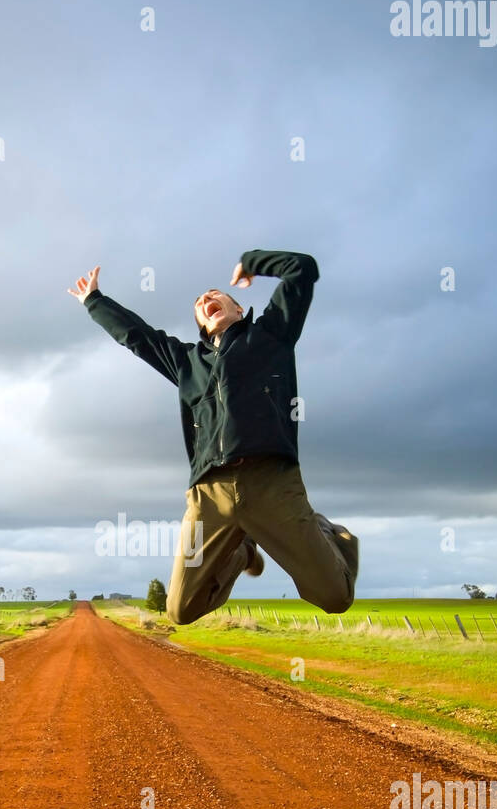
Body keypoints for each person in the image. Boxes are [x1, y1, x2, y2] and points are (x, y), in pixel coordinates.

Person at [68, 249, 358, 625]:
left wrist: (254, 262)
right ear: (202, 326)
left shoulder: (272, 336)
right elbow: (136, 336)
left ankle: (327, 533)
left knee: (335, 597)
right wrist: (94, 300)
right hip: (208, 495)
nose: (206, 301)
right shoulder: (187, 363)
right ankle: (240, 552)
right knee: (180, 610)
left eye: (214, 295)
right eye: (200, 304)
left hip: (272, 484)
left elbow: (303, 270)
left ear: (239, 310)